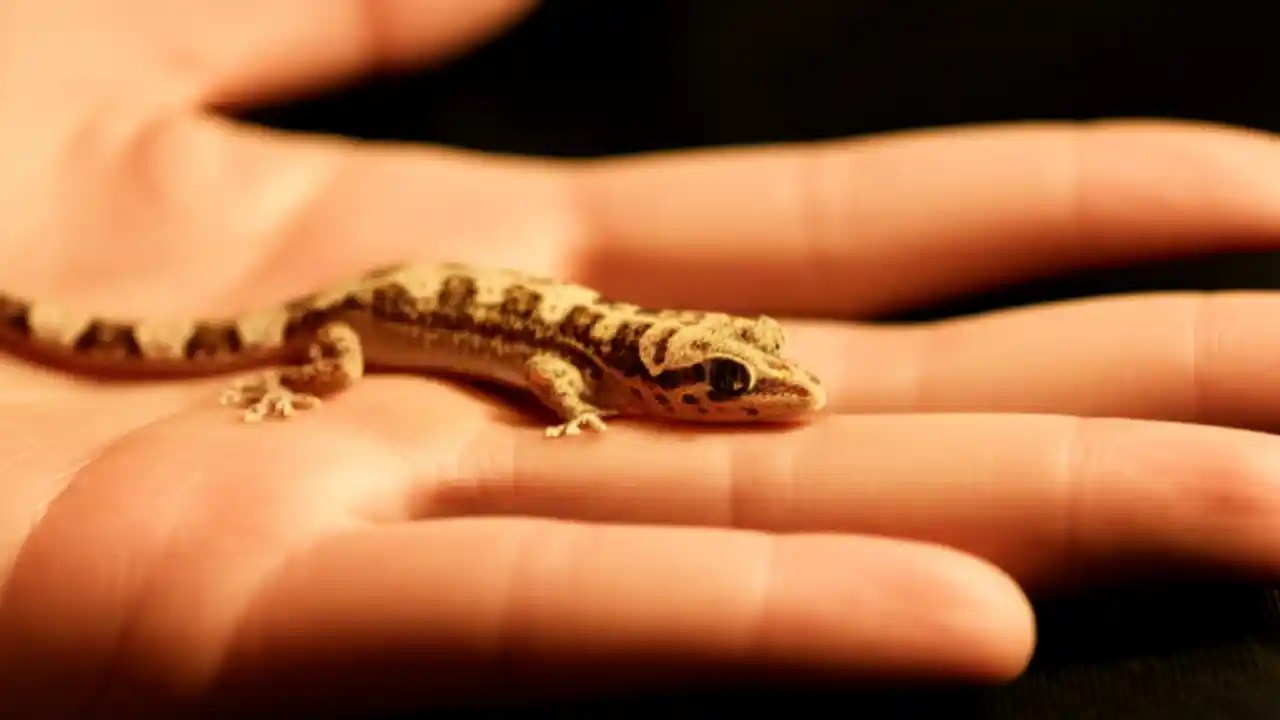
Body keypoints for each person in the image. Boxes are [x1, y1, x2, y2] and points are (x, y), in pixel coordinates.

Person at [2, 1, 1279, 715]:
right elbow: (553, 382)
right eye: (731, 382)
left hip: (394, 285)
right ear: (667, 383)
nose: (769, 390)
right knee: (311, 364)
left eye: (745, 367)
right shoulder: (583, 373)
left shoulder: (625, 355)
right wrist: (312, 378)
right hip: (339, 312)